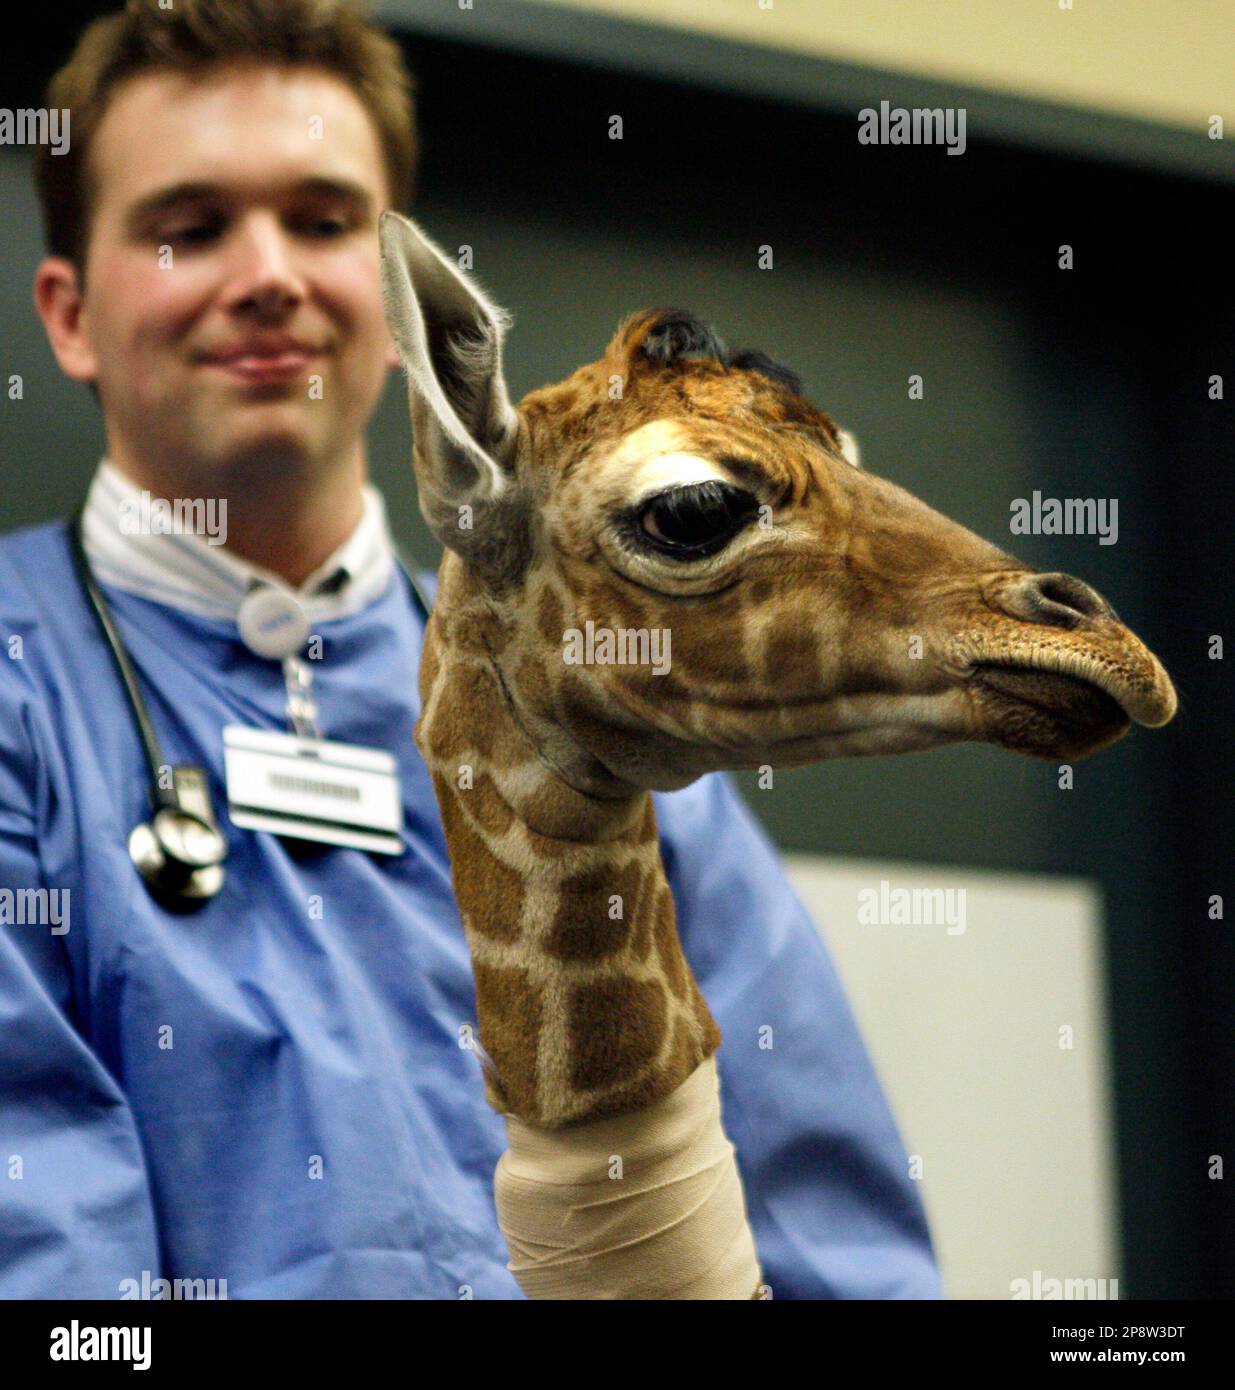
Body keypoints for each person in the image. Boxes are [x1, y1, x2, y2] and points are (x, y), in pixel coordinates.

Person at [0, 0, 940, 1299]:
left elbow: (830, 1233)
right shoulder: (19, 691)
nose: (267, 268)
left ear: (402, 309)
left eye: (325, 220)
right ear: (67, 314)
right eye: (190, 226)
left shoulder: (597, 685)